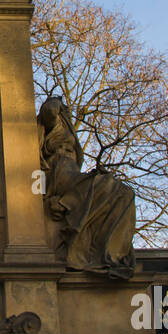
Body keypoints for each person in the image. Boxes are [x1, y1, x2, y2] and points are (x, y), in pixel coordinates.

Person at [37, 96, 136, 277]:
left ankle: (107, 254)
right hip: (59, 171)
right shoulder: (57, 124)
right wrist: (56, 102)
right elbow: (49, 111)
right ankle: (68, 203)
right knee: (113, 188)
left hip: (71, 173)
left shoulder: (66, 127)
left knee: (124, 193)